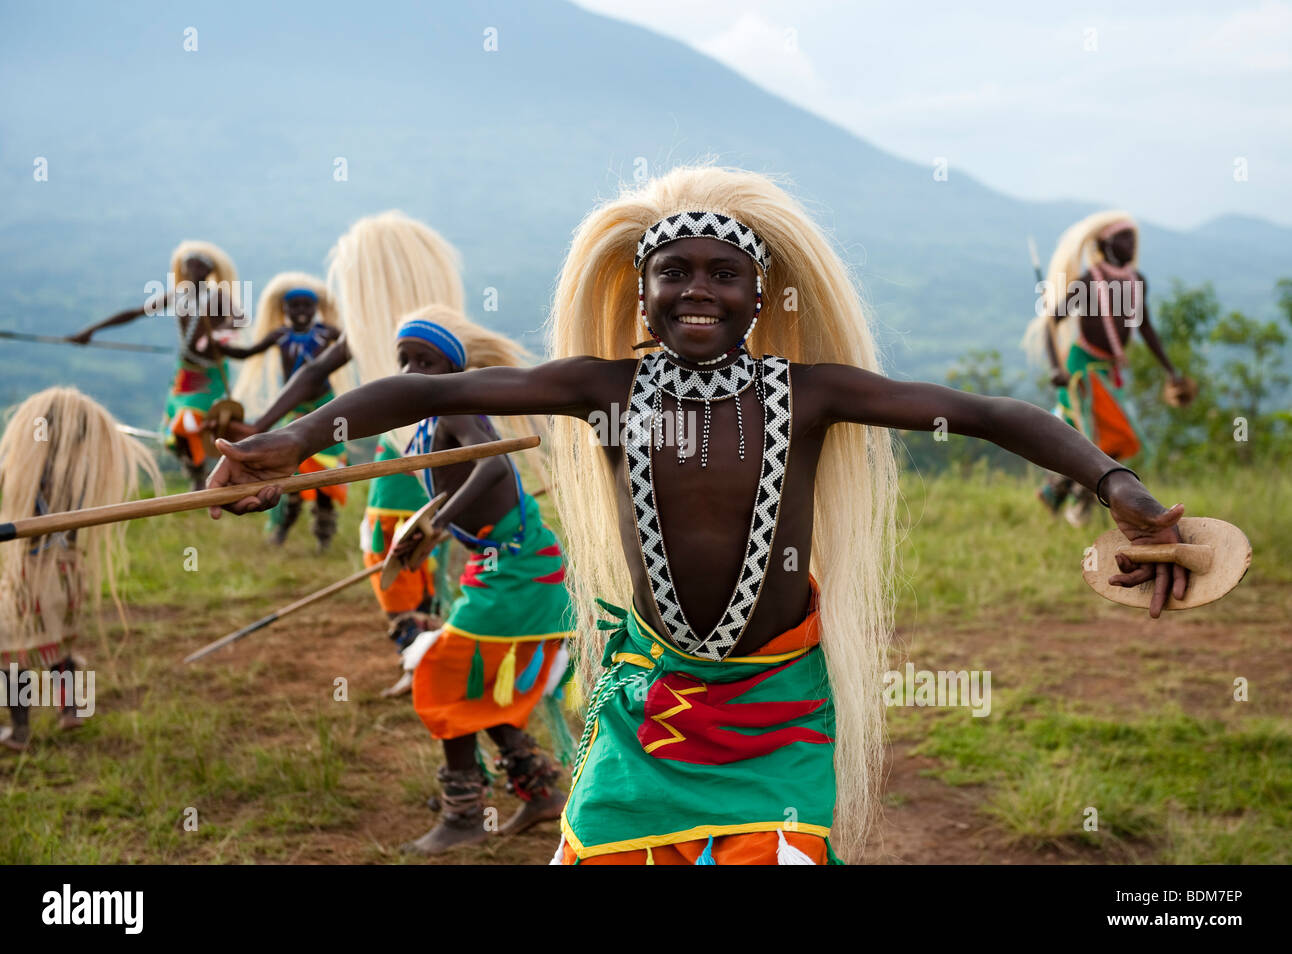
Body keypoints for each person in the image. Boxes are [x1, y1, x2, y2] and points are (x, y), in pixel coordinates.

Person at [207, 167, 1191, 865]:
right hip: (653, 705)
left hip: (777, 707)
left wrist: (1115, 486)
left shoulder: (810, 393)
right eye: (674, 272)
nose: (697, 290)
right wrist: (295, 442)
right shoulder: (602, 388)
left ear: (759, 295)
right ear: (642, 294)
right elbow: (417, 398)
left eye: (723, 274)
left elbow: (985, 413)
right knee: (601, 850)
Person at [236, 213, 466, 682]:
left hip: (423, 452)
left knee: (397, 544)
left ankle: (426, 653)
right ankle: (427, 648)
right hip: (415, 451)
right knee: (414, 545)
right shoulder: (399, 326)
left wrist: (264, 422)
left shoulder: (428, 328)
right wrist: (261, 424)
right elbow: (313, 373)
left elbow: (314, 373)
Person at [384, 306, 572, 854]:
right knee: (475, 682)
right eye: (406, 360)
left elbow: (492, 465)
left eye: (428, 361)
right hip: (496, 567)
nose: (414, 371)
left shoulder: (458, 406)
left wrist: (437, 525)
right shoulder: (427, 421)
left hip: (521, 569)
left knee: (445, 672)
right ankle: (538, 791)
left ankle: (464, 813)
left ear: (456, 371)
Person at [0, 387, 161, 750]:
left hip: (31, 571)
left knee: (7, 648)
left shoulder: (23, 469)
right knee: (61, 643)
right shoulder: (84, 472)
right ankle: (73, 709)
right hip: (70, 572)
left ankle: (19, 732)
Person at [1024, 212, 1190, 525]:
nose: (1131, 244)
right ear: (1105, 244)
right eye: (1123, 237)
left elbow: (1145, 327)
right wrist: (1055, 368)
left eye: (1133, 238)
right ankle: (1074, 496)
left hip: (1108, 371)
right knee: (1102, 438)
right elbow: (1051, 324)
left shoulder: (1136, 281)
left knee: (1111, 440)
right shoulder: (1089, 281)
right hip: (1081, 369)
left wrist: (1170, 370)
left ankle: (1060, 488)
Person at [69, 241, 260, 489]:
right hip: (185, 374)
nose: (193, 270)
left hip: (208, 375)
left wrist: (216, 333)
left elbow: (239, 319)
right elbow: (136, 313)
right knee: (175, 430)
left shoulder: (218, 297)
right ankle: (196, 473)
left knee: (190, 422)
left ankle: (214, 470)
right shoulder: (178, 296)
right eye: (189, 265)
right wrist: (92, 330)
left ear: (209, 271)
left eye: (199, 266)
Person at [234, 272, 350, 549]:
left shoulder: (327, 333)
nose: (300, 312)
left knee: (325, 478)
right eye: (294, 306)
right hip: (295, 412)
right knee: (289, 481)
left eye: (306, 306)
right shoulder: (280, 336)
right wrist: (218, 348)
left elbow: (354, 341)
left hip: (325, 410)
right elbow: (249, 352)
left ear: (316, 308)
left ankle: (324, 535)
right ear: (284, 310)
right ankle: (282, 528)